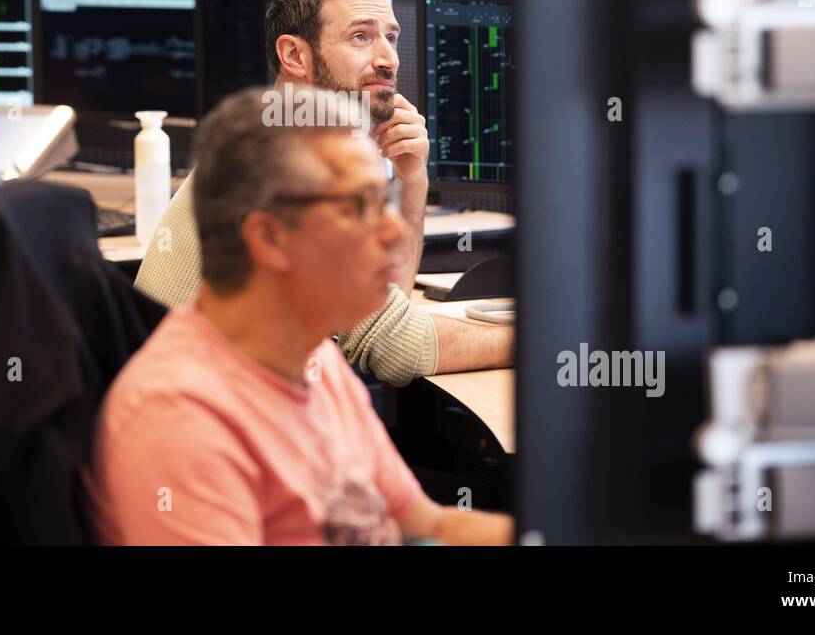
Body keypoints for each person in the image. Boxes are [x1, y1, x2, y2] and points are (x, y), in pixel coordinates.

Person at [91, 86, 514, 545]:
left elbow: (425, 523)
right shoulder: (181, 420)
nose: (395, 231)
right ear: (270, 239)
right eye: (358, 207)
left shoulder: (311, 356)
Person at [135, 0, 513, 385]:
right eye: (360, 37)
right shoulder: (283, 162)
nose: (388, 58)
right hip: (213, 424)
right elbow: (402, 350)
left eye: (391, 37)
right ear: (294, 55)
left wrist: (412, 182)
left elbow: (381, 305)